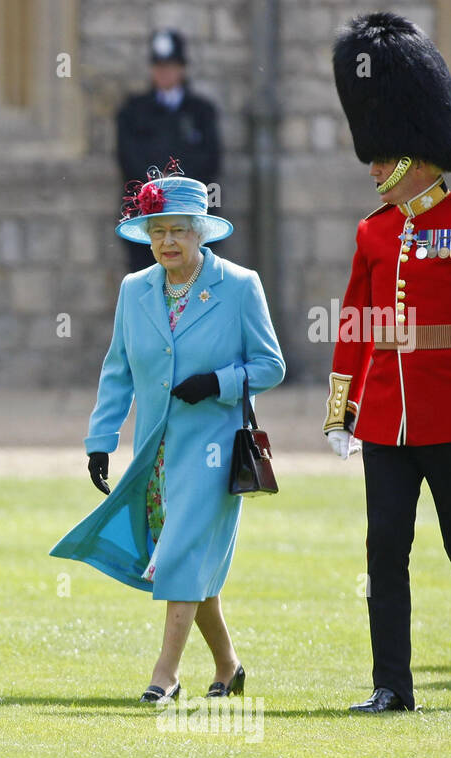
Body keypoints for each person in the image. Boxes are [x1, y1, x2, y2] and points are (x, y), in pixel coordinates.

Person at [325, 13, 451, 713]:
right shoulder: (374, 233)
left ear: (417, 153)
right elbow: (357, 322)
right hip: (388, 419)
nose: (375, 168)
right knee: (385, 550)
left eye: (384, 157)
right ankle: (393, 685)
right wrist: (342, 408)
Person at [51, 167, 285, 703]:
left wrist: (220, 383)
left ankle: (165, 675)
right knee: (189, 561)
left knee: (179, 555)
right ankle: (228, 665)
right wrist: (100, 439)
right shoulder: (134, 291)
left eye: (179, 230)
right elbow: (118, 370)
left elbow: (271, 366)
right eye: (157, 231)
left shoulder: (240, 286)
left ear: (200, 231)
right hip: (155, 455)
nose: (167, 242)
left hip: (215, 451)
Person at [115, 29, 222, 273]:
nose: (165, 73)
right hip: (147, 224)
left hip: (192, 222)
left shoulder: (201, 112)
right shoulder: (133, 111)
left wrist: (178, 198)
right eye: (159, 66)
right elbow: (128, 160)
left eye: (171, 66)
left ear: (182, 69)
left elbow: (210, 162)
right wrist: (158, 198)